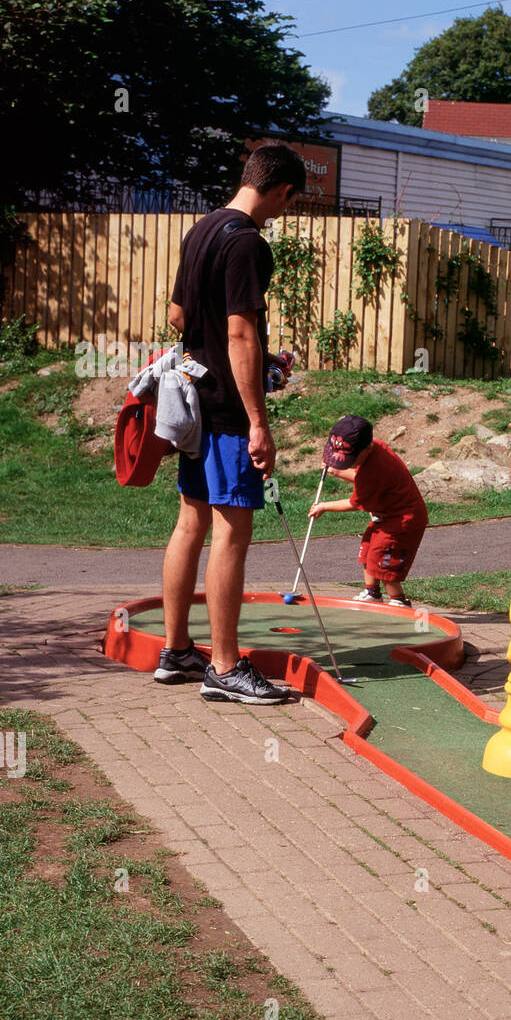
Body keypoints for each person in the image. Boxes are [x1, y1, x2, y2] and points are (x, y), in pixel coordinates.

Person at [154, 143, 304, 704]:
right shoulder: (246, 243)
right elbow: (240, 333)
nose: (284, 213)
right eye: (289, 203)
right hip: (225, 415)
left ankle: (176, 652)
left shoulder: (201, 231)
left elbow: (179, 317)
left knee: (190, 523)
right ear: (282, 190)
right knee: (232, 531)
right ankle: (223, 667)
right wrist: (257, 420)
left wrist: (236, 358)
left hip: (193, 405)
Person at [308, 415, 428, 607]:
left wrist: (324, 506)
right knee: (368, 550)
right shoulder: (374, 451)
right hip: (387, 516)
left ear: (367, 448)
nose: (348, 463)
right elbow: (361, 477)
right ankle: (372, 593)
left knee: (384, 561)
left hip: (403, 520)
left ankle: (399, 601)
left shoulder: (375, 468)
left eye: (351, 459)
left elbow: (355, 503)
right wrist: (336, 471)